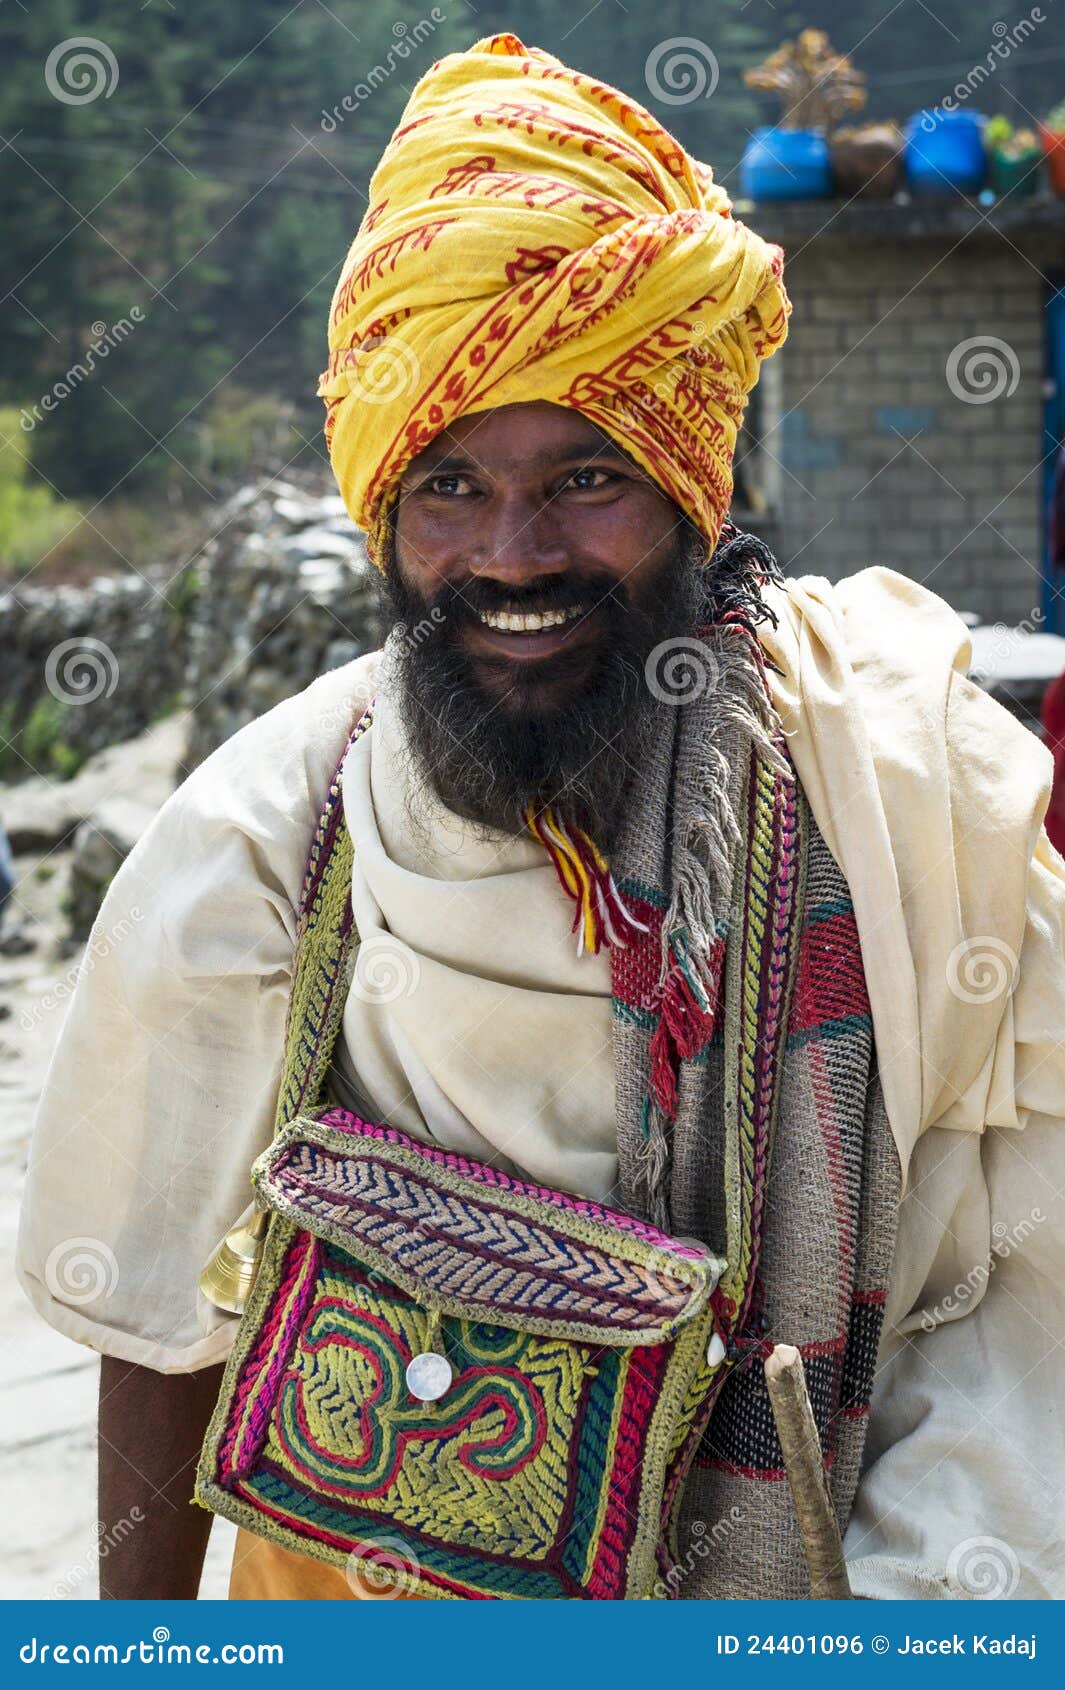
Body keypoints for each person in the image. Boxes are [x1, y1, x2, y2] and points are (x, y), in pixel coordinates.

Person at [17, 35, 1065, 1602]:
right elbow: (157, 1315)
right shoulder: (267, 826)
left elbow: (1010, 1300)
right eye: (447, 485)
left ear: (693, 486)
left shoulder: (909, 780)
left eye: (585, 477)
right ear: (380, 503)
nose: (512, 553)